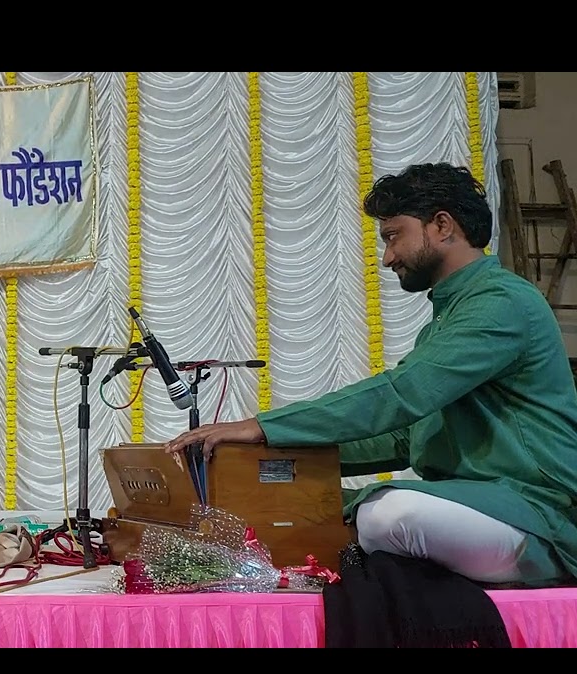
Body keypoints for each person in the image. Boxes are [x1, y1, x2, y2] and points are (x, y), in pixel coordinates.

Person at [164, 162, 577, 588]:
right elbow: (405, 437)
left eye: (394, 236)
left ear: (441, 226)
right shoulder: (447, 320)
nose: (387, 257)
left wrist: (261, 427)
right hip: (485, 513)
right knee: (306, 506)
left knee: (390, 513)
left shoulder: (501, 302)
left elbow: (402, 394)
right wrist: (267, 460)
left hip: (535, 515)